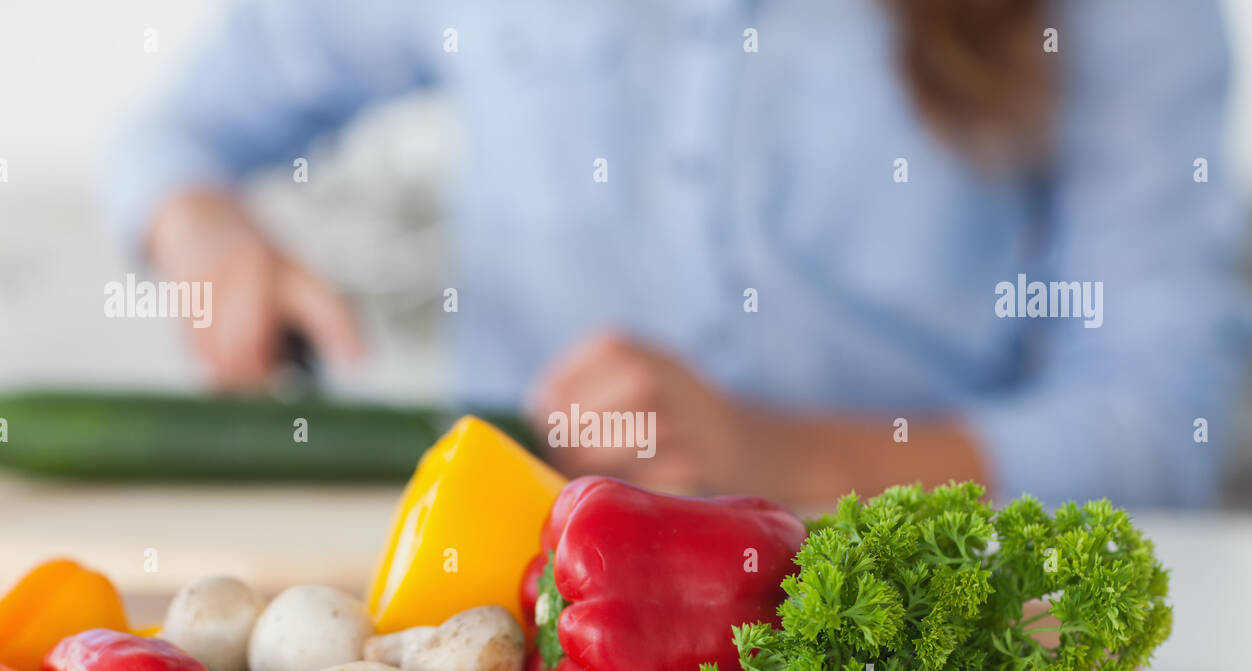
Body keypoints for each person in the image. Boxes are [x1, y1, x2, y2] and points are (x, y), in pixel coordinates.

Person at [107, 0, 1250, 509]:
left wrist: (780, 453)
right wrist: (201, 230)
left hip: (913, 626)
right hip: (510, 623)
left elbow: (1161, 420)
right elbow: (184, 132)